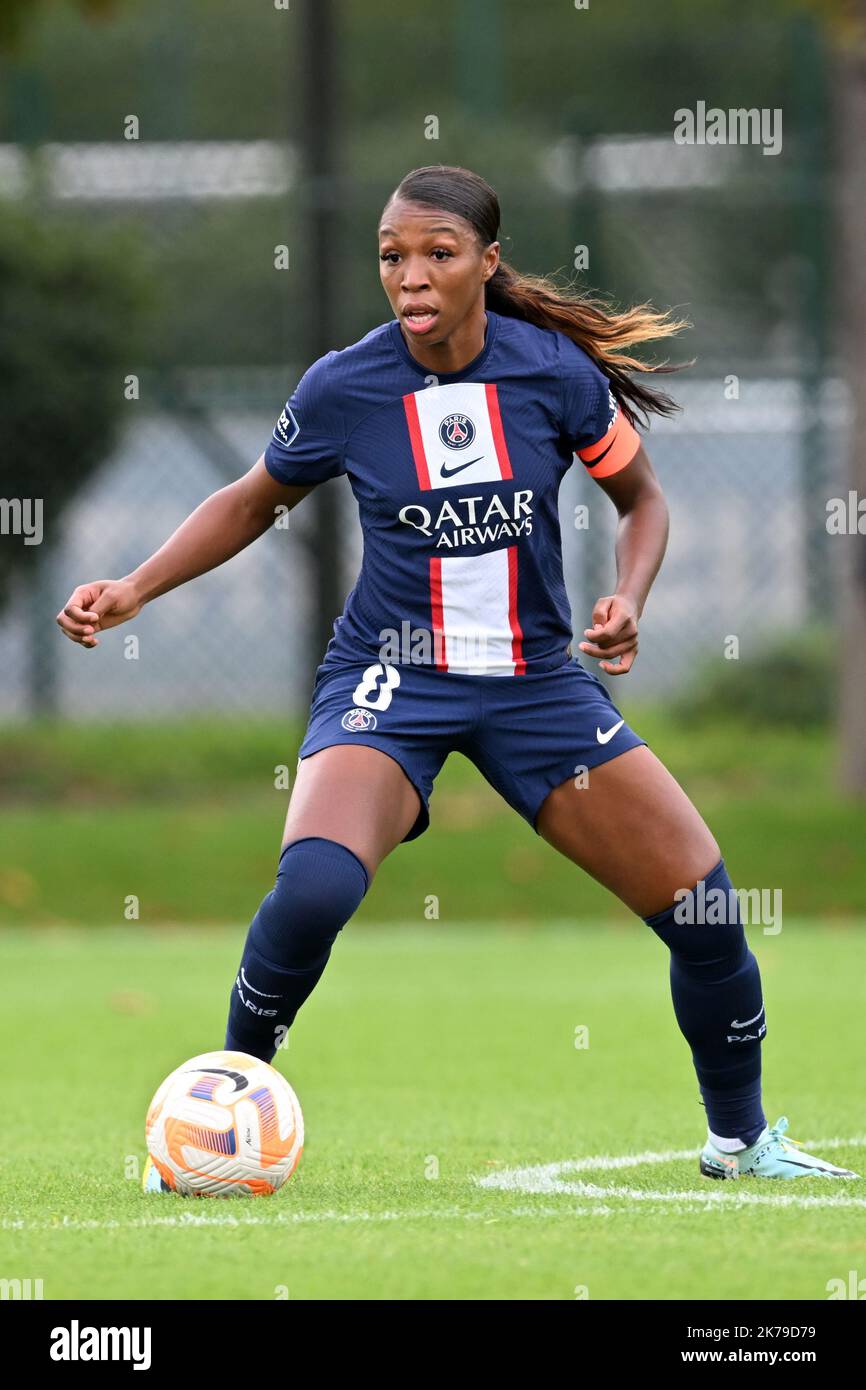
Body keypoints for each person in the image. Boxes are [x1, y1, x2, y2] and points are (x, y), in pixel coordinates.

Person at [57, 164, 855, 1183]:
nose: (411, 274)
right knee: (310, 890)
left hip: (536, 686)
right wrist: (133, 587)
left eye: (437, 252)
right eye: (393, 255)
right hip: (393, 679)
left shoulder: (551, 372)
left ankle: (739, 1142)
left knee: (704, 912)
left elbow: (643, 503)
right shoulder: (344, 385)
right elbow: (254, 498)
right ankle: (219, 1119)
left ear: (486, 260)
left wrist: (627, 599)